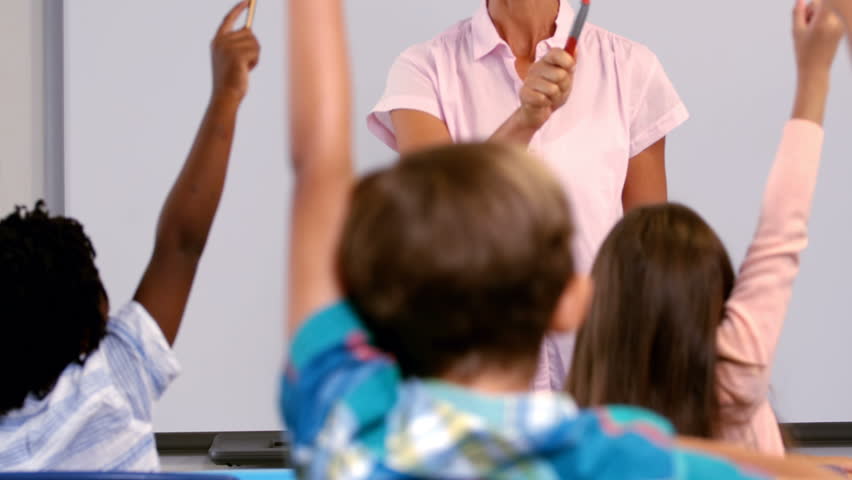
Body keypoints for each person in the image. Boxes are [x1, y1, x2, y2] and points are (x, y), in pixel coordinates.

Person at [279, 0, 843, 478]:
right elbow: (439, 209)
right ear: (572, 299)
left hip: (601, 380)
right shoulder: (610, 453)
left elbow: (324, 170)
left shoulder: (345, 419)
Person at [567, 0, 843, 456]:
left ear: (605, 302)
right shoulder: (735, 373)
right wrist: (816, 70)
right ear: (717, 290)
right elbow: (782, 227)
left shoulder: (593, 417)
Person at [367, 0, 690, 390]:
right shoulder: (423, 69)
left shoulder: (629, 66)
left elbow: (651, 252)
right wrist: (524, 122)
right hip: (476, 373)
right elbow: (436, 221)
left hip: (604, 371)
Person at [0, 2, 260, 470]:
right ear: (87, 332)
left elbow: (182, 243)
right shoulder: (110, 385)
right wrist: (227, 93)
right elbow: (182, 241)